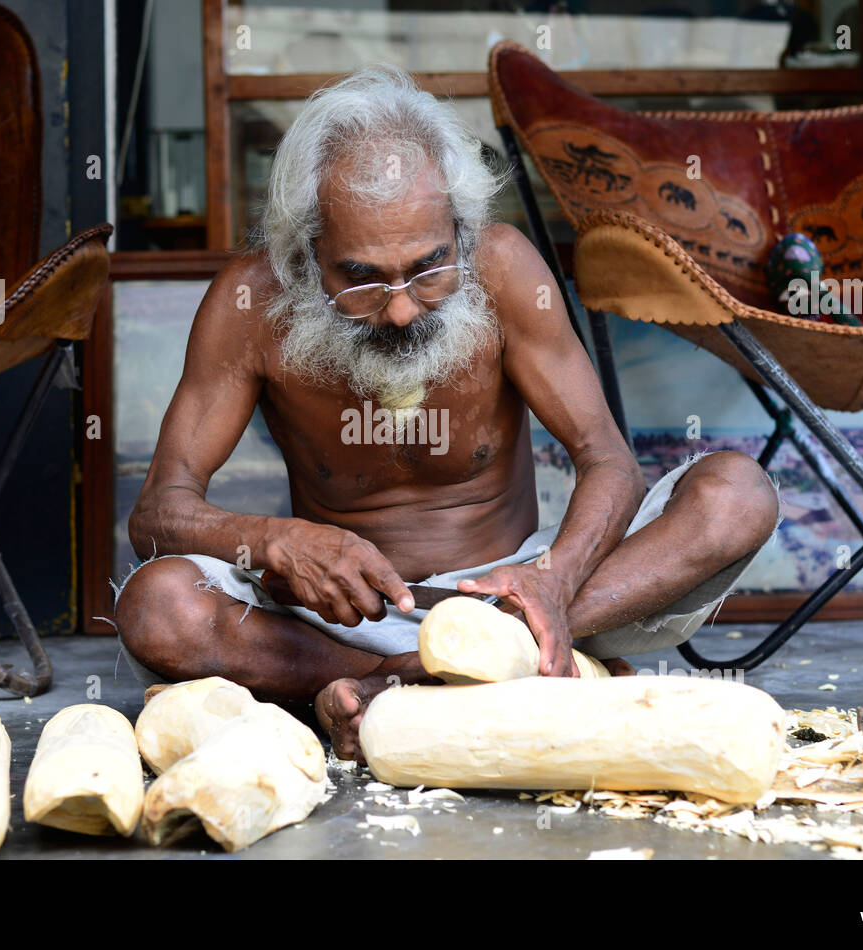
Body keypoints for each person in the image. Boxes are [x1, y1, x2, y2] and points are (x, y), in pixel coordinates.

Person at [114, 65, 780, 761]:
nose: (400, 308)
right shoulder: (249, 304)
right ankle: (405, 676)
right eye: (361, 277)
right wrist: (277, 541)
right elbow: (158, 513)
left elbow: (607, 459)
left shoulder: (503, 268)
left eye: (428, 267)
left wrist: (551, 578)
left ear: (462, 230)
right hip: (333, 624)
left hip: (517, 597)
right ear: (307, 253)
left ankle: (416, 683)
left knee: (736, 494)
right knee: (159, 607)